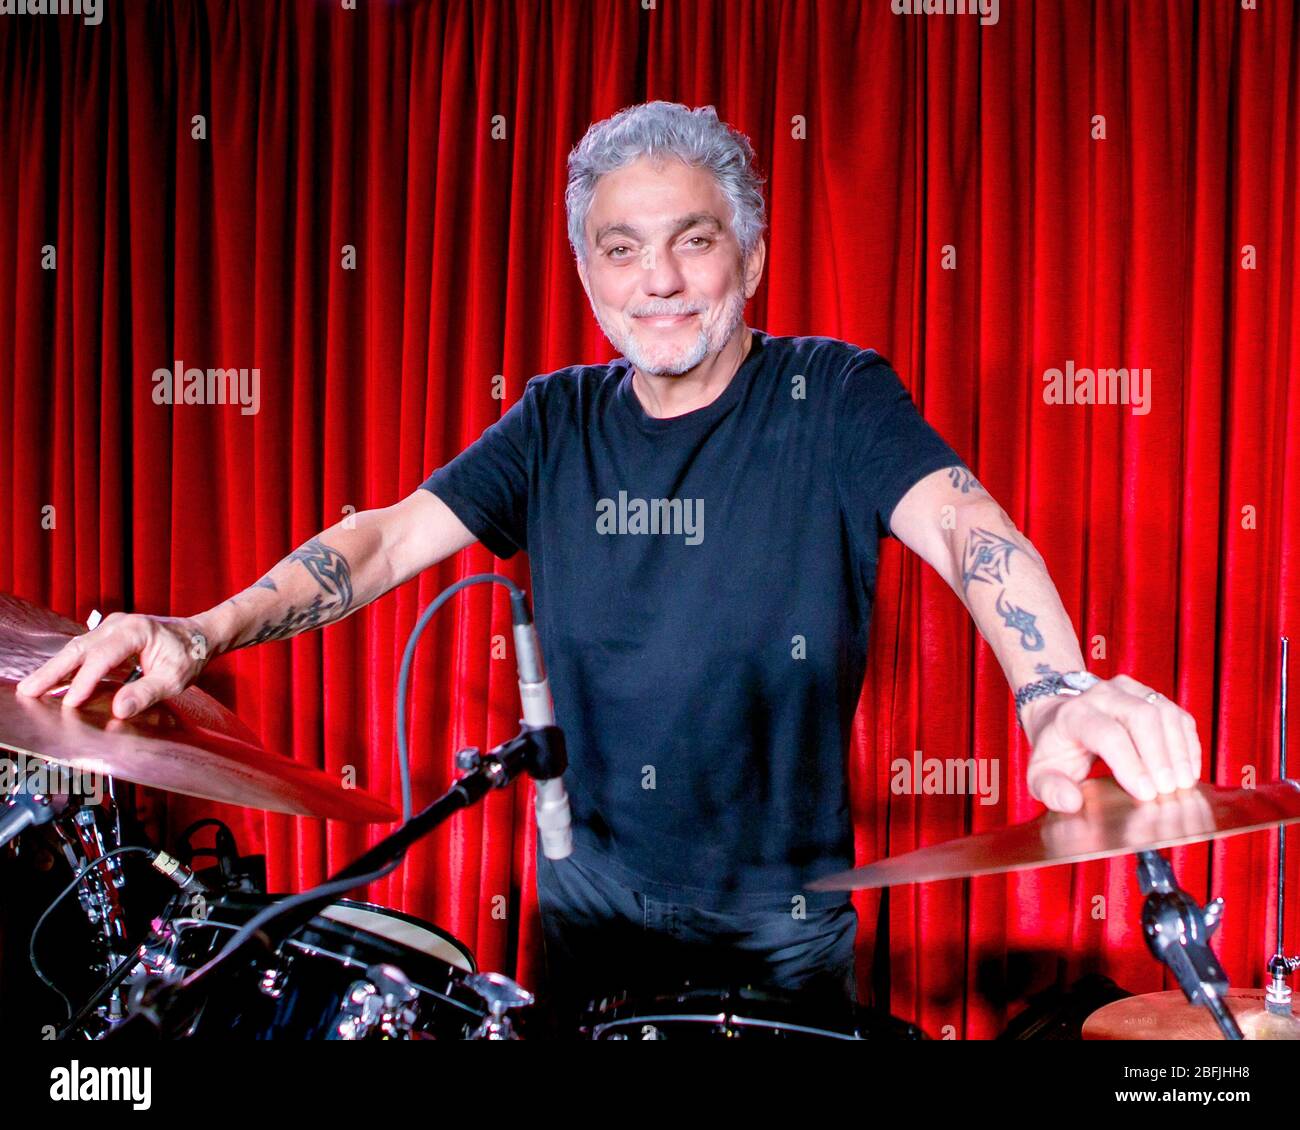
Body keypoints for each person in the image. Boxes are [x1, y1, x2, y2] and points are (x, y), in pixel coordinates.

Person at [17, 101, 1203, 1031]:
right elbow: (380, 537)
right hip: (584, 925)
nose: (661, 280)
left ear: (749, 250)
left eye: (694, 240)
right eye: (621, 248)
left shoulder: (833, 394)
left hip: (780, 936)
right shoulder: (553, 420)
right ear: (588, 273)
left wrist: (1054, 688)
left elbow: (963, 523)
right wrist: (197, 630)